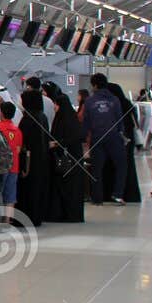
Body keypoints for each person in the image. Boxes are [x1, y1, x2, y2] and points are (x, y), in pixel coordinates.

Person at [42, 83, 88, 223]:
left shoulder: (62, 120)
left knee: (63, 187)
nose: (54, 107)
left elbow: (70, 138)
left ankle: (62, 214)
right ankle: (72, 214)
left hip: (65, 160)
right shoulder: (71, 118)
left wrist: (56, 143)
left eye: (56, 104)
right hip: (74, 160)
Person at [81, 74, 127, 205]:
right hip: (114, 137)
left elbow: (86, 122)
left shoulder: (89, 101)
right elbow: (120, 120)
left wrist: (84, 138)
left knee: (96, 169)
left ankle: (97, 198)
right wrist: (122, 134)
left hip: (97, 137)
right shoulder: (115, 100)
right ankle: (118, 194)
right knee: (121, 166)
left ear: (94, 85)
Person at [16, 89, 51, 228]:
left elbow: (23, 141)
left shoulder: (27, 118)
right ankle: (36, 216)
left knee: (27, 189)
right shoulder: (42, 116)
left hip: (28, 160)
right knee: (38, 188)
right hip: (41, 158)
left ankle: (25, 217)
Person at [106, 81, 143, 203]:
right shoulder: (128, 105)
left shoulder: (112, 106)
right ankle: (130, 194)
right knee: (128, 167)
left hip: (116, 140)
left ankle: (112, 192)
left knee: (112, 167)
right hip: (128, 140)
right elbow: (134, 124)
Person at [0, 101, 23, 223]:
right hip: (14, 166)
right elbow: (18, 149)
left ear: (1, 113)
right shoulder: (18, 131)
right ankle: (8, 220)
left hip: (1, 167)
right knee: (11, 195)